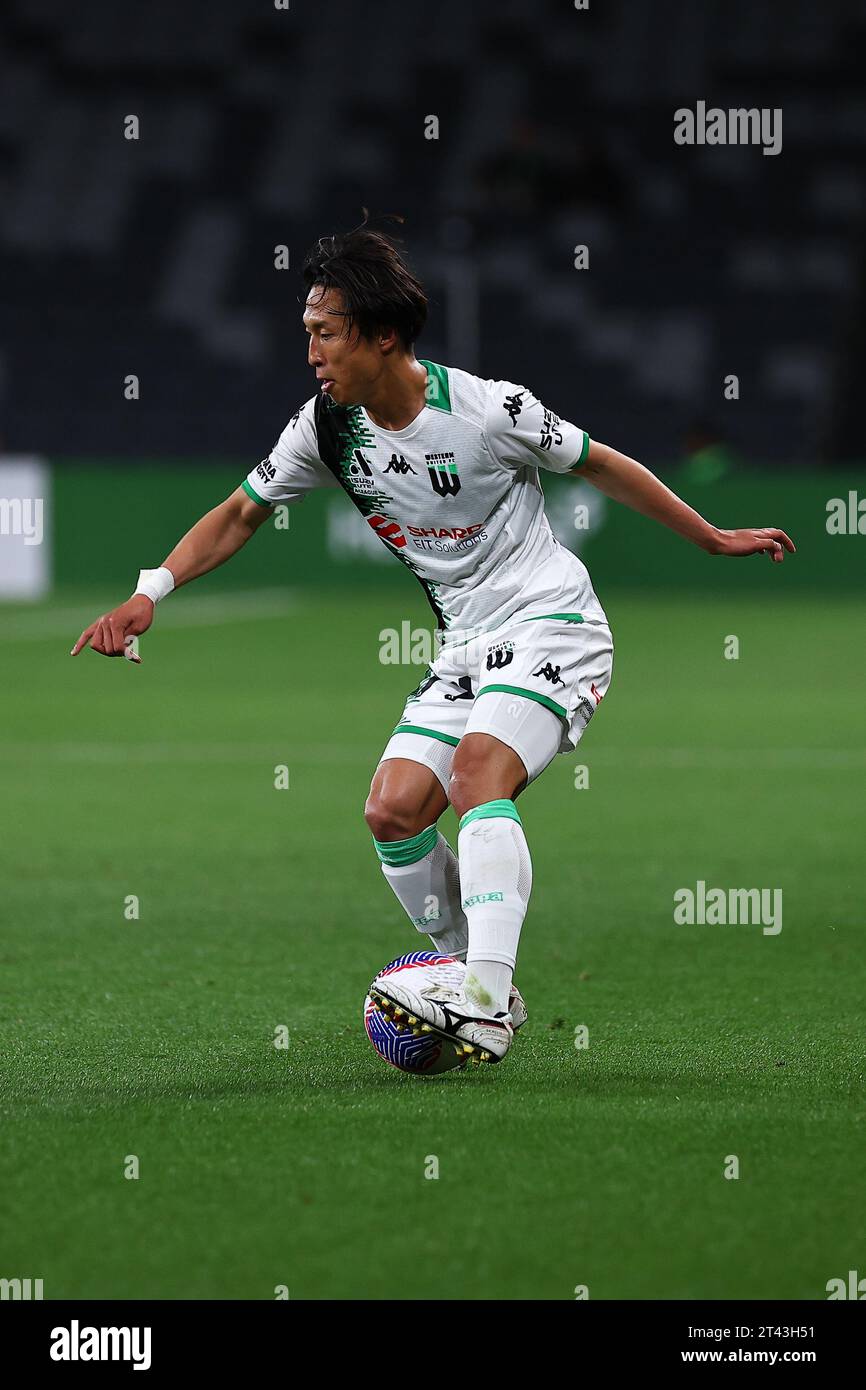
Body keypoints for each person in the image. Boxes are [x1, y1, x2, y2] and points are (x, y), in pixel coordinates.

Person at [71, 219, 795, 1066]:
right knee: (393, 810)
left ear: (383, 338)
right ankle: (470, 975)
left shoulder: (491, 410)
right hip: (465, 644)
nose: (311, 351)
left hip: (552, 620)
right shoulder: (326, 430)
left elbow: (601, 463)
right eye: (307, 332)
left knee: (477, 772)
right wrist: (148, 592)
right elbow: (240, 514)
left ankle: (482, 994)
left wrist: (709, 535)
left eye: (326, 332)